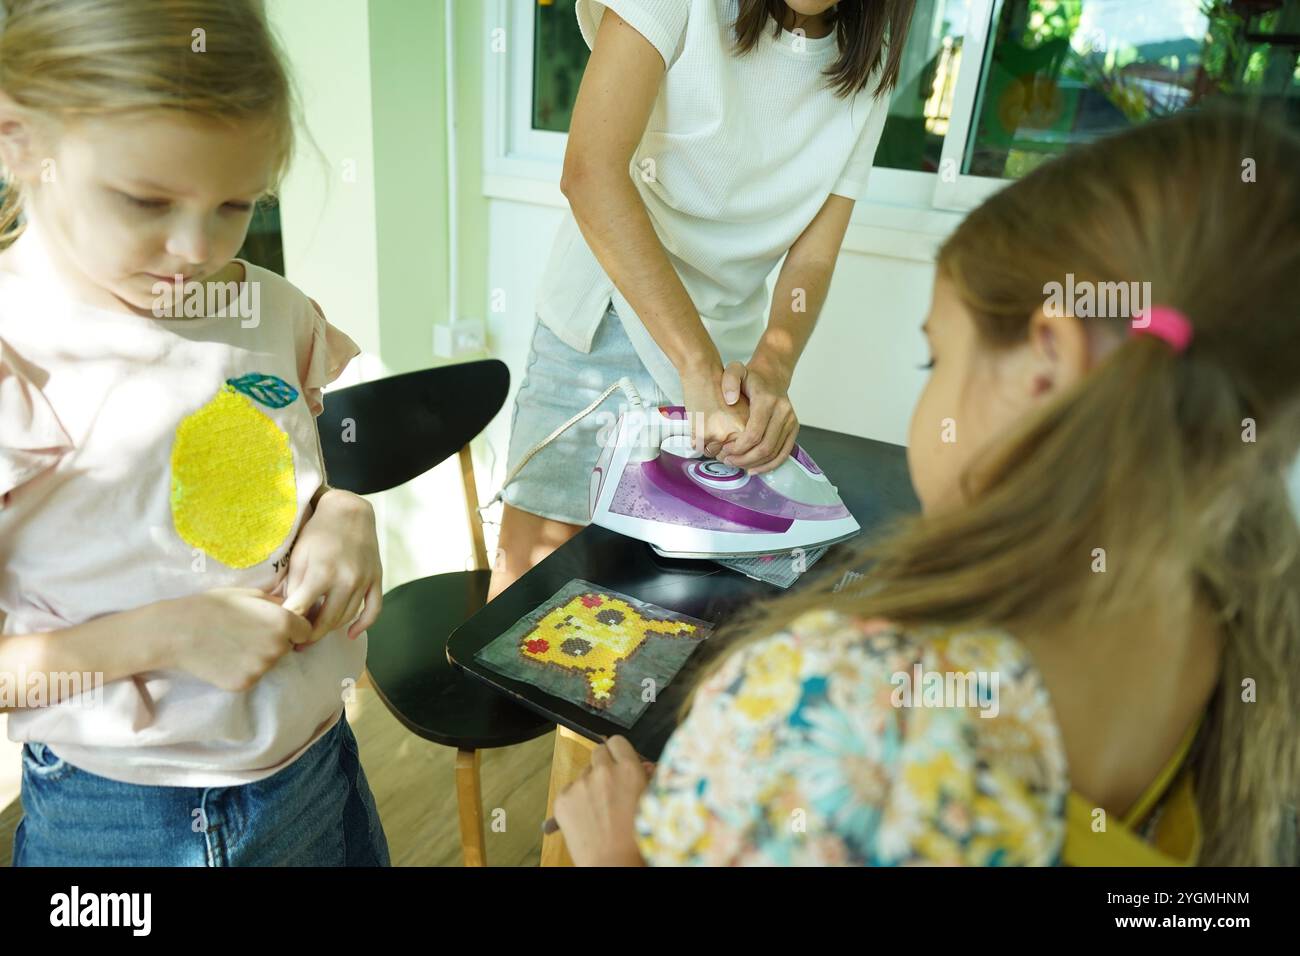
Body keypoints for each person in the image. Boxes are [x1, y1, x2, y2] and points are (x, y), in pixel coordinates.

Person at [553, 107, 1300, 866]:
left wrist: (625, 853)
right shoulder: (1228, 640)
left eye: (934, 360)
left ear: (1048, 364)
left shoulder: (821, 708)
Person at [0, 0, 388, 865]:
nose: (195, 248)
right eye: (145, 199)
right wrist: (170, 635)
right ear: (19, 139)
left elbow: (293, 482)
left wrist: (340, 515)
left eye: (235, 203)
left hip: (319, 764)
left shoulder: (267, 307)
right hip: (122, 817)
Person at [490, 0, 915, 599]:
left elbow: (813, 256)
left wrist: (771, 368)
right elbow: (590, 171)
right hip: (607, 326)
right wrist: (695, 365)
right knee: (530, 603)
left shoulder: (867, 71)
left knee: (666, 609)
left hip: (726, 366)